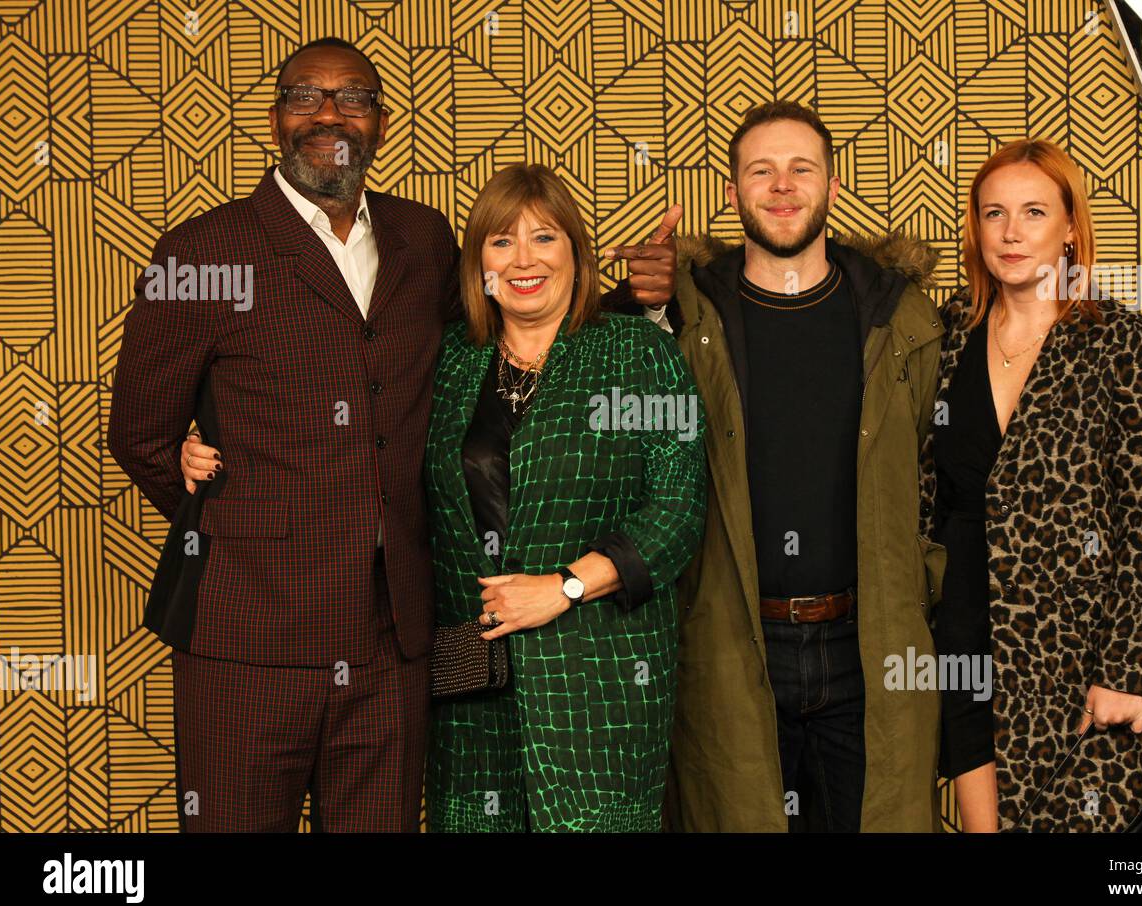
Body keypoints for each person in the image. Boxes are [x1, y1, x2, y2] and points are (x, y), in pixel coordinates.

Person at [116, 36, 677, 832]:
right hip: (247, 638)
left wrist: (632, 299)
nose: (329, 114)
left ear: (380, 122)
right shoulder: (206, 253)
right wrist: (223, 504)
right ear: (276, 117)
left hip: (392, 644)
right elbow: (139, 432)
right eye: (306, 95)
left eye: (353, 97)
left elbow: (507, 343)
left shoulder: (423, 240)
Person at [621, 101, 946, 832]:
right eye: (759, 170)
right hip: (730, 648)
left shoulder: (905, 322)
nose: (782, 185)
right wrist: (634, 302)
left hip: (870, 648)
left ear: (832, 185)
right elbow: (612, 440)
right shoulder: (683, 318)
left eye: (802, 168)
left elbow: (943, 482)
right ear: (732, 193)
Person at [918, 138, 1142, 832]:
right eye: (993, 213)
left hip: (1082, 656)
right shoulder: (944, 336)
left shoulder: (1120, 341)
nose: (1011, 232)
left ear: (1071, 227)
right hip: (964, 642)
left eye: (1033, 211)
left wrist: (1126, 667)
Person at [422, 163, 705, 831]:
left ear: (576, 253)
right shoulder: (451, 362)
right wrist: (211, 439)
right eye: (501, 241)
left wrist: (565, 586)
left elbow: (678, 511)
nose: (524, 259)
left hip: (601, 682)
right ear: (478, 264)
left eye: (544, 238)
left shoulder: (635, 353)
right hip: (471, 691)